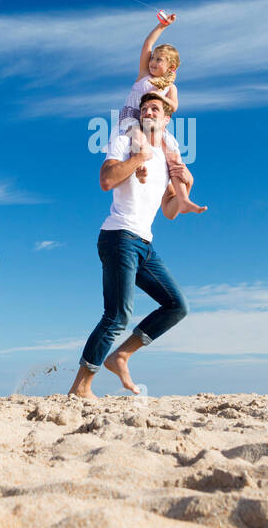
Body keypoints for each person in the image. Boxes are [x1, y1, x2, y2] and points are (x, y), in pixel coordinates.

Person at [69, 92, 192, 399]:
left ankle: (120, 356)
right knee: (117, 315)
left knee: (177, 306)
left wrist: (185, 188)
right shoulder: (125, 142)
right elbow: (106, 180)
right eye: (145, 108)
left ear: (166, 119)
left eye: (156, 109)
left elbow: (169, 211)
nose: (149, 112)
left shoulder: (167, 157)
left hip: (144, 243)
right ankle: (80, 387)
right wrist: (138, 158)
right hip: (118, 235)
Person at [119, 10, 206, 214]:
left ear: (171, 67)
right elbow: (146, 46)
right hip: (133, 115)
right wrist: (162, 26)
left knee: (173, 156)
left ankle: (183, 198)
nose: (152, 62)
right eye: (153, 58)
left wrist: (161, 97)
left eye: (159, 60)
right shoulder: (144, 76)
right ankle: (140, 169)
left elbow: (173, 107)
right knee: (137, 139)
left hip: (156, 124)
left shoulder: (170, 88)